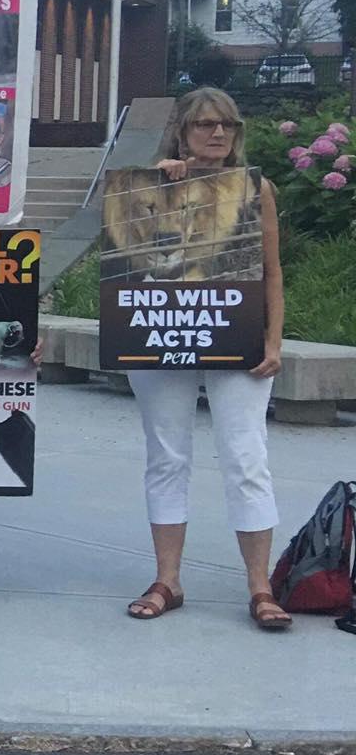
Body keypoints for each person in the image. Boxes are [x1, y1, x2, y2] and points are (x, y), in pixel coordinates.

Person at [123, 87, 288, 630]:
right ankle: (167, 579)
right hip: (160, 331)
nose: (217, 134)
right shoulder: (146, 185)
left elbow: (271, 269)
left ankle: (260, 586)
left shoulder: (255, 188)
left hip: (234, 332)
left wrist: (274, 338)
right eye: (204, 125)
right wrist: (157, 185)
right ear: (182, 131)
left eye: (227, 126)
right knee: (166, 456)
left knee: (246, 459)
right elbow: (123, 254)